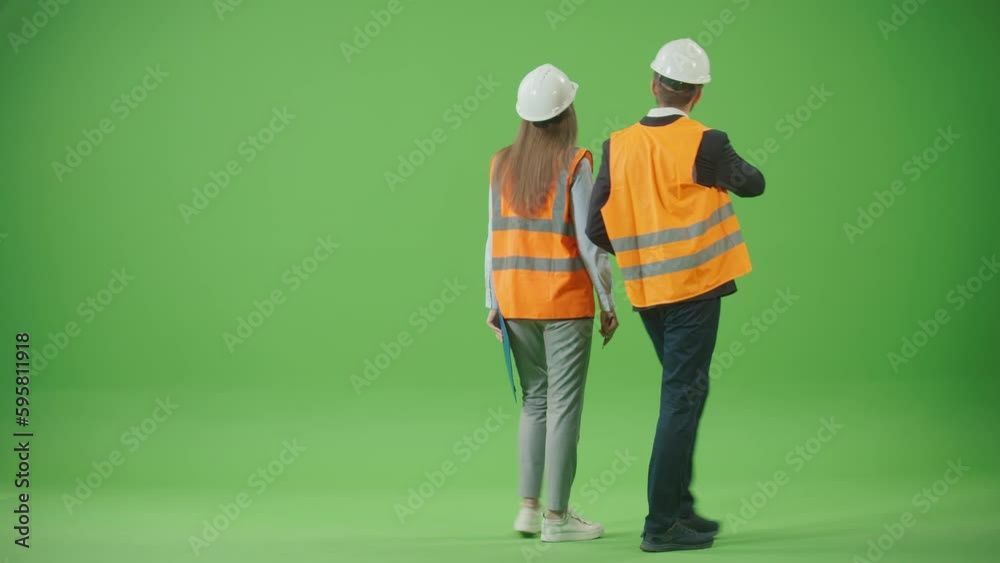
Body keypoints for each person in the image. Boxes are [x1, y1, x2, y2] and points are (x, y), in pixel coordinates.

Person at [585, 38, 765, 553]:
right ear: (698, 94)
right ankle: (660, 525)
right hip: (694, 289)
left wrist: (642, 249)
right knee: (681, 398)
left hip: (649, 293)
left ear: (654, 85)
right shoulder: (706, 142)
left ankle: (681, 509)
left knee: (688, 391)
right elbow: (754, 183)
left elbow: (597, 225)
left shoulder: (617, 145)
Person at [485, 63, 619, 543]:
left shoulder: (501, 164)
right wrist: (607, 299)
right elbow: (590, 241)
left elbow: (492, 238)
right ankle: (558, 520)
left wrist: (492, 298)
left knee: (535, 402)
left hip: (515, 299)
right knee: (564, 407)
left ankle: (528, 508)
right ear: (567, 114)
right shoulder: (576, 162)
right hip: (564, 302)